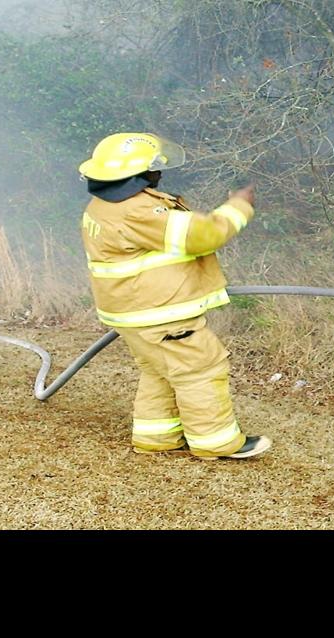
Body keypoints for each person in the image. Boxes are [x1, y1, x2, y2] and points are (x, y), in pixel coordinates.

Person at [78, 132, 270, 459]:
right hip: (160, 313)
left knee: (161, 371)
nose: (160, 173)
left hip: (134, 313)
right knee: (200, 367)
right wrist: (240, 205)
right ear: (137, 175)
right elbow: (202, 235)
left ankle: (157, 437)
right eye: (154, 167)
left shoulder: (102, 208)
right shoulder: (137, 211)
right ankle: (217, 442)